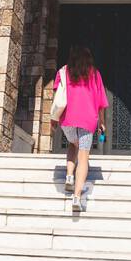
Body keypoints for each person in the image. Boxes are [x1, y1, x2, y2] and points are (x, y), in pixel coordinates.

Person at [52, 46, 108, 212]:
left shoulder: (64, 72)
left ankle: (69, 176)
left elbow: (57, 95)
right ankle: (77, 196)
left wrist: (53, 119)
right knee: (83, 157)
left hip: (68, 119)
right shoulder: (95, 75)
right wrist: (102, 122)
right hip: (88, 119)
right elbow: (101, 102)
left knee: (72, 144)